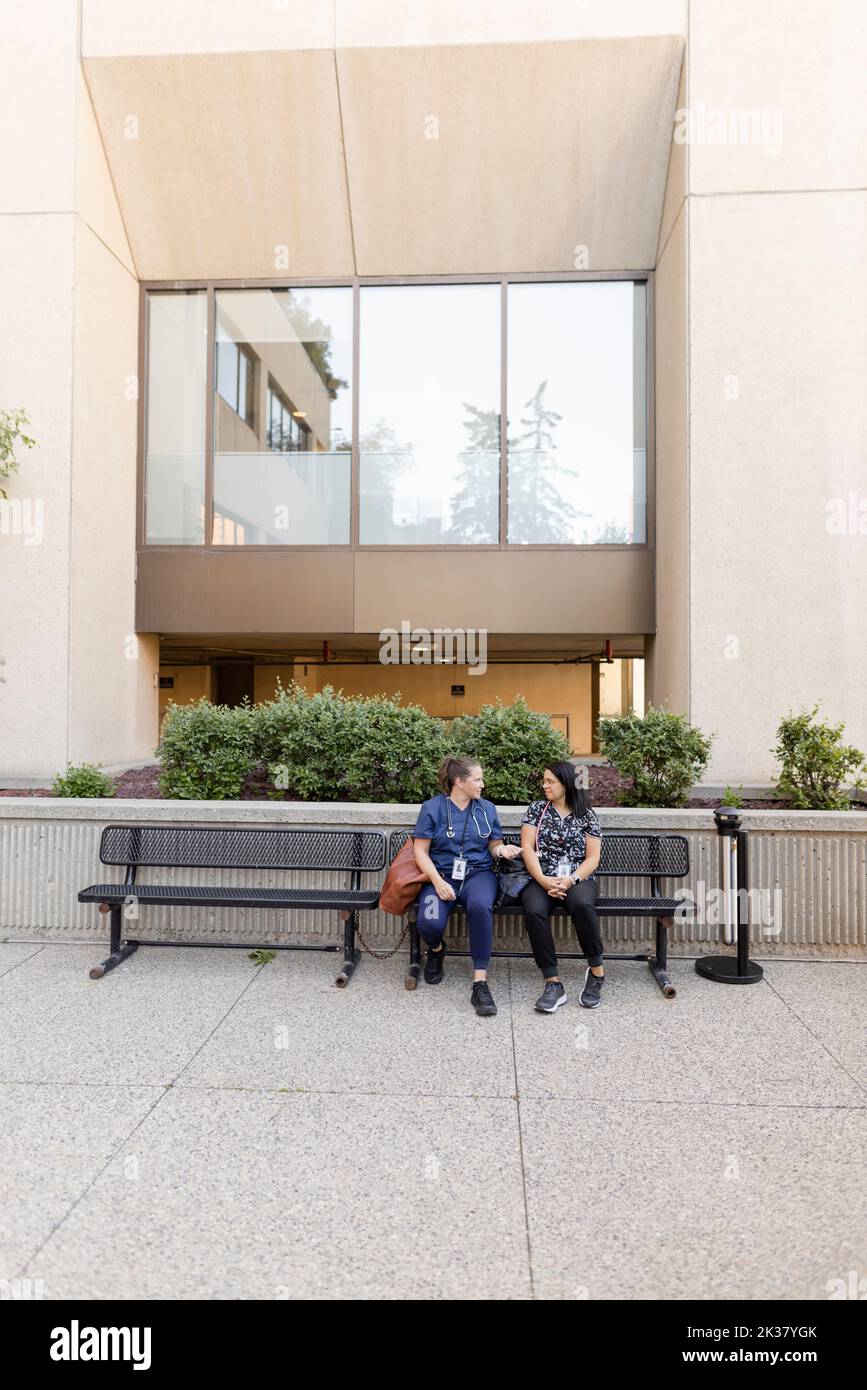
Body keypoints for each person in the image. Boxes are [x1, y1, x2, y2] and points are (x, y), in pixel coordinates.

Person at [412, 755, 522, 1016]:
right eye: (478, 779)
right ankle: (437, 950)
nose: (482, 784)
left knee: (481, 906)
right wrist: (437, 882)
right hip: (441, 875)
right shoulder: (432, 808)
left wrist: (502, 850)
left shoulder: (487, 809)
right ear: (459, 781)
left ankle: (480, 982)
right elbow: (420, 852)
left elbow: (493, 845)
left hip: (478, 874)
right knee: (428, 922)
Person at [519, 761, 604, 1012]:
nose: (544, 785)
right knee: (533, 909)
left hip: (578, 878)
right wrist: (544, 880)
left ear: (566, 784)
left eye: (550, 781)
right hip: (541, 877)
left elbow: (593, 858)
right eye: (544, 781)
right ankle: (552, 983)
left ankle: (597, 973)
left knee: (581, 904)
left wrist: (570, 880)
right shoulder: (537, 809)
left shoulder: (586, 815)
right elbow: (527, 848)